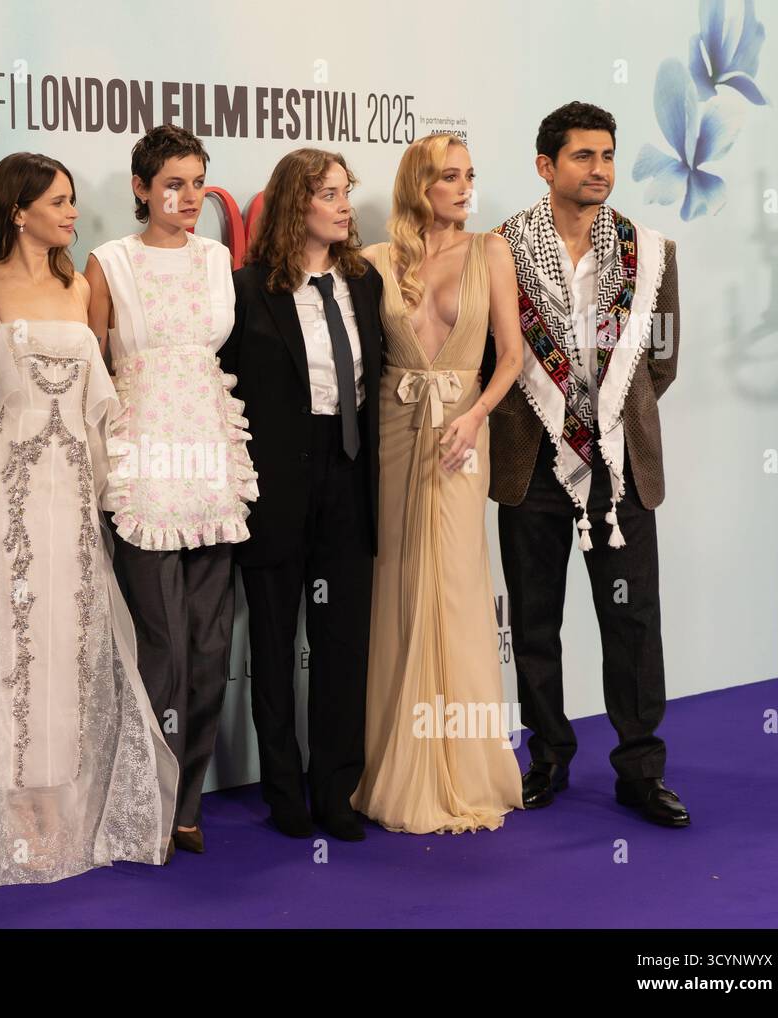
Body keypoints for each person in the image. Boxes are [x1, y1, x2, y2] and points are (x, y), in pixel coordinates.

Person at [0, 152, 179, 887]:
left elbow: (103, 409)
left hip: (70, 505)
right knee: (4, 649)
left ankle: (57, 801)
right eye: (59, 201)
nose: (73, 213)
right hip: (3, 501)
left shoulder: (78, 288)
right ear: (16, 211)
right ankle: (5, 809)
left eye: (72, 200)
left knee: (66, 646)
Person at [490, 101, 689, 827]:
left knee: (633, 624)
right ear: (546, 166)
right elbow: (493, 358)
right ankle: (548, 757)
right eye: (583, 156)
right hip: (530, 462)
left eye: (607, 155)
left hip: (621, 467)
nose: (600, 169)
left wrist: (602, 420)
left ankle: (641, 771)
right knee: (536, 622)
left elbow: (658, 364)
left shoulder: (652, 251)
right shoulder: (501, 248)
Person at [84, 125, 257, 855]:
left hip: (211, 470)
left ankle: (186, 805)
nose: (188, 198)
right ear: (141, 187)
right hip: (144, 472)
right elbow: (92, 370)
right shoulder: (108, 264)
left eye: (197, 182)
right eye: (173, 184)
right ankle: (139, 804)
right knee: (161, 649)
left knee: (212, 648)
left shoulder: (218, 259)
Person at [355, 133, 525, 833]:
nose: (463, 187)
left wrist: (476, 417)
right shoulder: (371, 261)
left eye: (469, 175)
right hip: (394, 435)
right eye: (448, 177)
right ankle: (396, 761)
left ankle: (463, 765)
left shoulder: (492, 252)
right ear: (418, 186)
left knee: (456, 589)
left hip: (462, 432)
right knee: (395, 585)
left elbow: (511, 357)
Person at [218, 149, 383, 842]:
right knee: (277, 642)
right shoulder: (246, 290)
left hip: (349, 472)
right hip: (277, 482)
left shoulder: (365, 283)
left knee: (344, 643)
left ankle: (337, 789)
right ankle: (285, 789)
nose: (346, 206)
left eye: (347, 193)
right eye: (329, 195)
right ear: (295, 206)